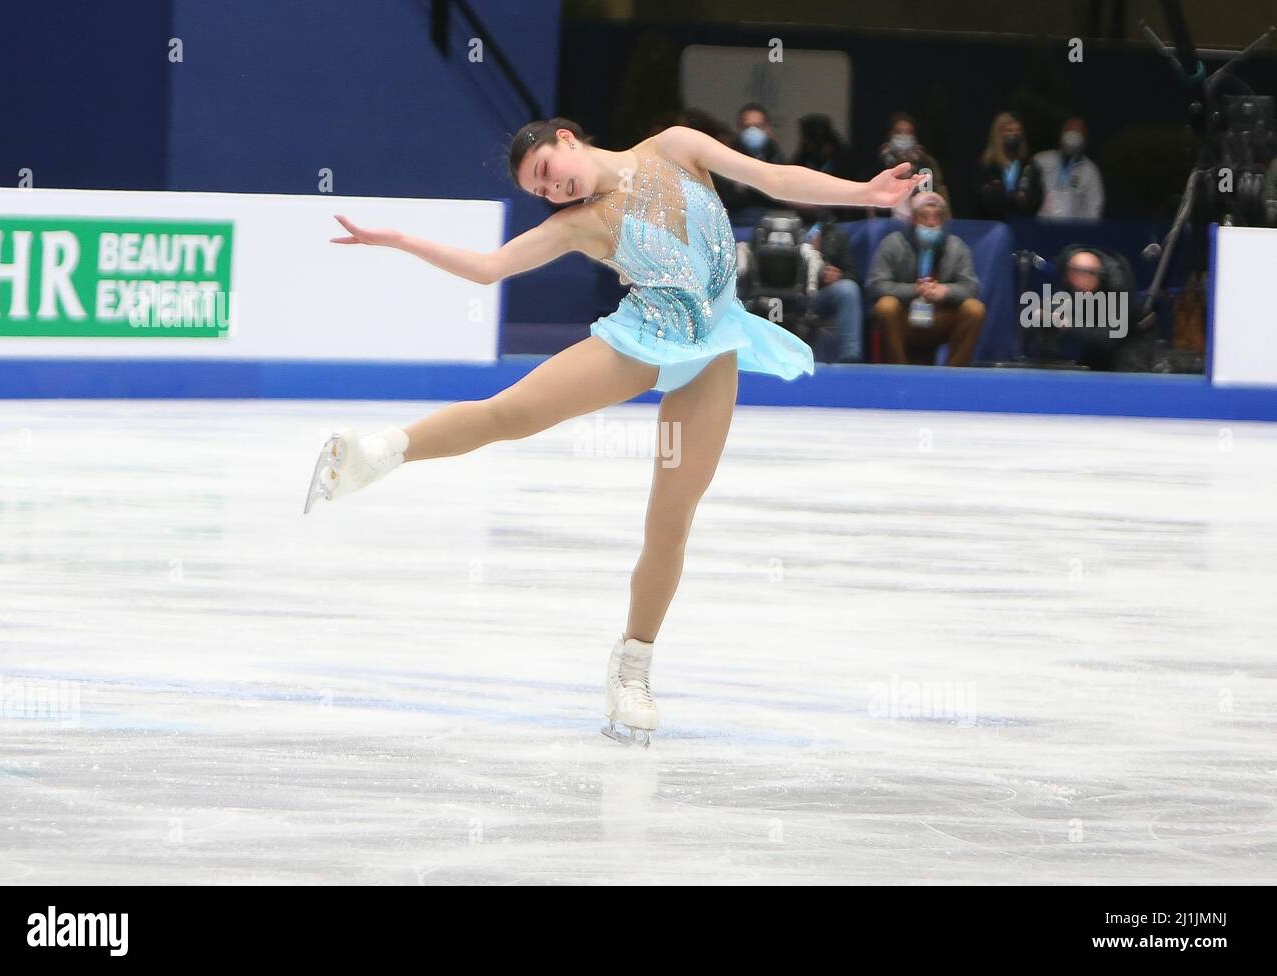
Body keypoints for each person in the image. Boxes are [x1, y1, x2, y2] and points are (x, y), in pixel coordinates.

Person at [305, 117, 922, 744]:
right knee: (508, 414)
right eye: (539, 192)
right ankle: (382, 453)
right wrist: (401, 241)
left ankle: (632, 667)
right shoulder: (580, 223)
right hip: (643, 341)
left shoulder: (675, 147)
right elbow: (489, 268)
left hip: (712, 349)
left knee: (670, 520)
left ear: (567, 138)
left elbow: (770, 177)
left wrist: (865, 194)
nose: (552, 191)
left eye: (546, 173)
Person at [867, 191, 985, 366]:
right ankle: (900, 373)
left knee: (975, 309)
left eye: (937, 217)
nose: (930, 223)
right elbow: (875, 285)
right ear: (913, 219)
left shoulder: (957, 247)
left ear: (944, 221)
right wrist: (914, 290)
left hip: (941, 315)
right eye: (924, 217)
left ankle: (954, 375)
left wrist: (945, 291)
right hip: (905, 315)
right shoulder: (892, 244)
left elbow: (971, 286)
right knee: (886, 306)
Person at [805, 215, 865, 362]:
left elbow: (854, 275)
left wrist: (839, 276)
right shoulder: (770, 224)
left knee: (848, 289)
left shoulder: (834, 233)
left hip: (819, 296)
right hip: (783, 295)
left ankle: (850, 359)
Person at [725, 102, 789, 225]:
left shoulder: (777, 157)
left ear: (768, 128)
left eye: (758, 126)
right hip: (737, 224)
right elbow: (724, 199)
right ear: (739, 129)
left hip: (772, 222)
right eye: (747, 127)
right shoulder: (728, 158)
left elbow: (783, 199)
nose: (752, 131)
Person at [1033, 118, 1105, 221]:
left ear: (1085, 138)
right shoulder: (1040, 161)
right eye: (1069, 130)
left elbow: (1095, 210)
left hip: (1073, 233)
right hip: (1040, 228)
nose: (1072, 136)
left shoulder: (1091, 172)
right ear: (1062, 134)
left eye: (1077, 132)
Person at [975, 112, 1042, 219]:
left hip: (1023, 226)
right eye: (1009, 131)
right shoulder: (986, 167)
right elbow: (983, 201)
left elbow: (1035, 199)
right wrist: (1014, 200)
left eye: (1018, 131)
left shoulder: (1029, 166)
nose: (1014, 135)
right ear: (998, 135)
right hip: (992, 226)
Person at [878, 112, 950, 210]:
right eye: (899, 132)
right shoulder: (878, 162)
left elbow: (939, 193)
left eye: (909, 132)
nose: (904, 136)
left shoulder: (927, 163)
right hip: (885, 219)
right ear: (890, 134)